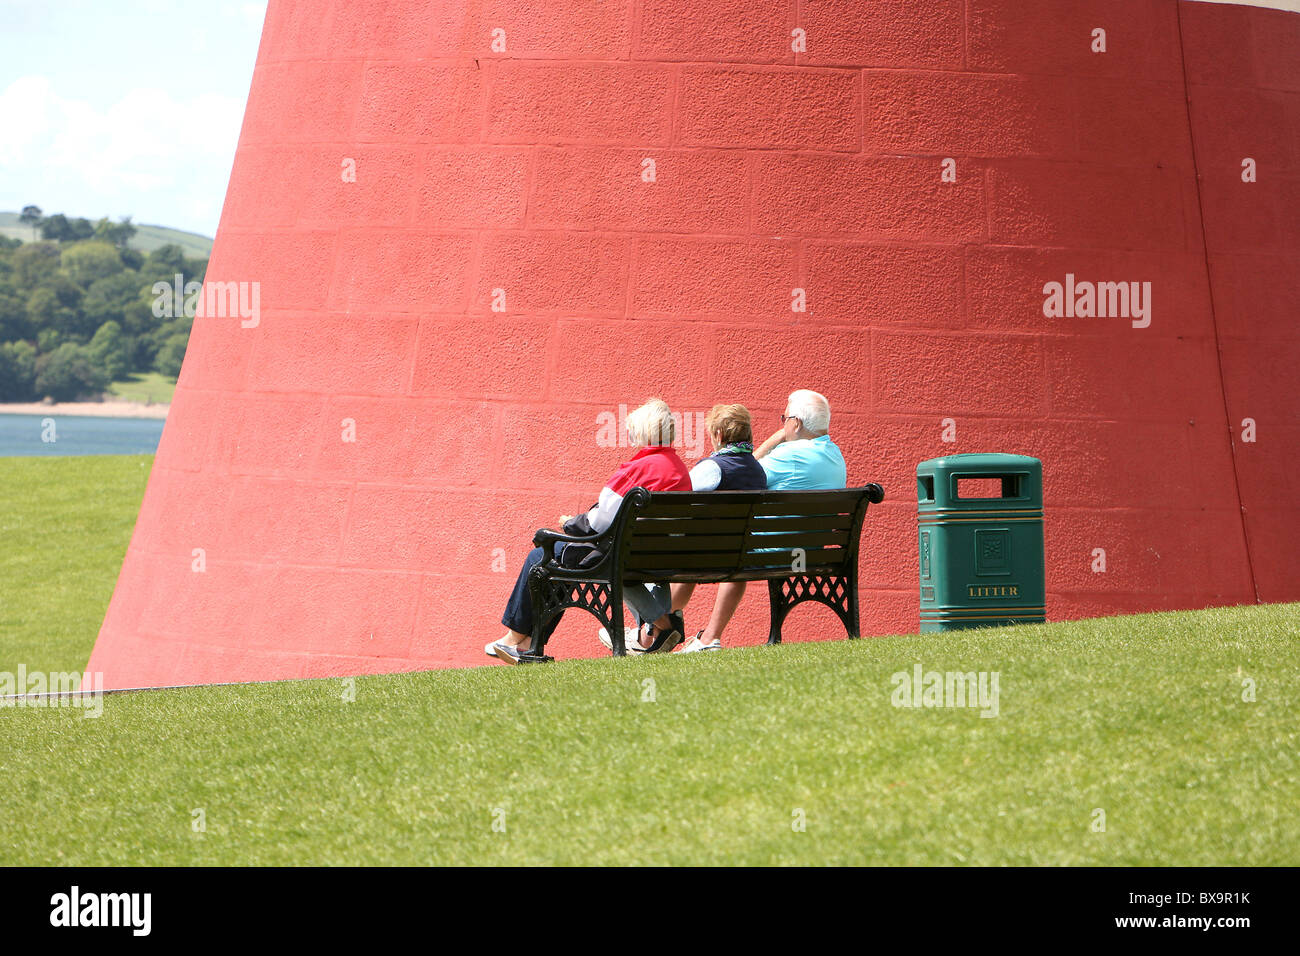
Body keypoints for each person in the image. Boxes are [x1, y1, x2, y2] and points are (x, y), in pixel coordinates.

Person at [487, 398, 691, 664]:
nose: (630, 437)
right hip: (661, 558)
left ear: (643, 432)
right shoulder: (680, 470)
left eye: (632, 432)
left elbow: (600, 522)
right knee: (563, 556)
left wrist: (572, 523)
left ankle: (518, 638)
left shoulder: (638, 468)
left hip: (620, 556)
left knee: (541, 557)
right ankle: (525, 641)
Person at [674, 389, 846, 653]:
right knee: (733, 544)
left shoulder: (791, 456)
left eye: (784, 418)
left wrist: (778, 437)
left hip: (776, 552)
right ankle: (705, 637)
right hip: (811, 553)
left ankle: (662, 630)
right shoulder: (836, 456)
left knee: (706, 549)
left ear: (796, 423)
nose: (783, 424)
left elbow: (743, 468)